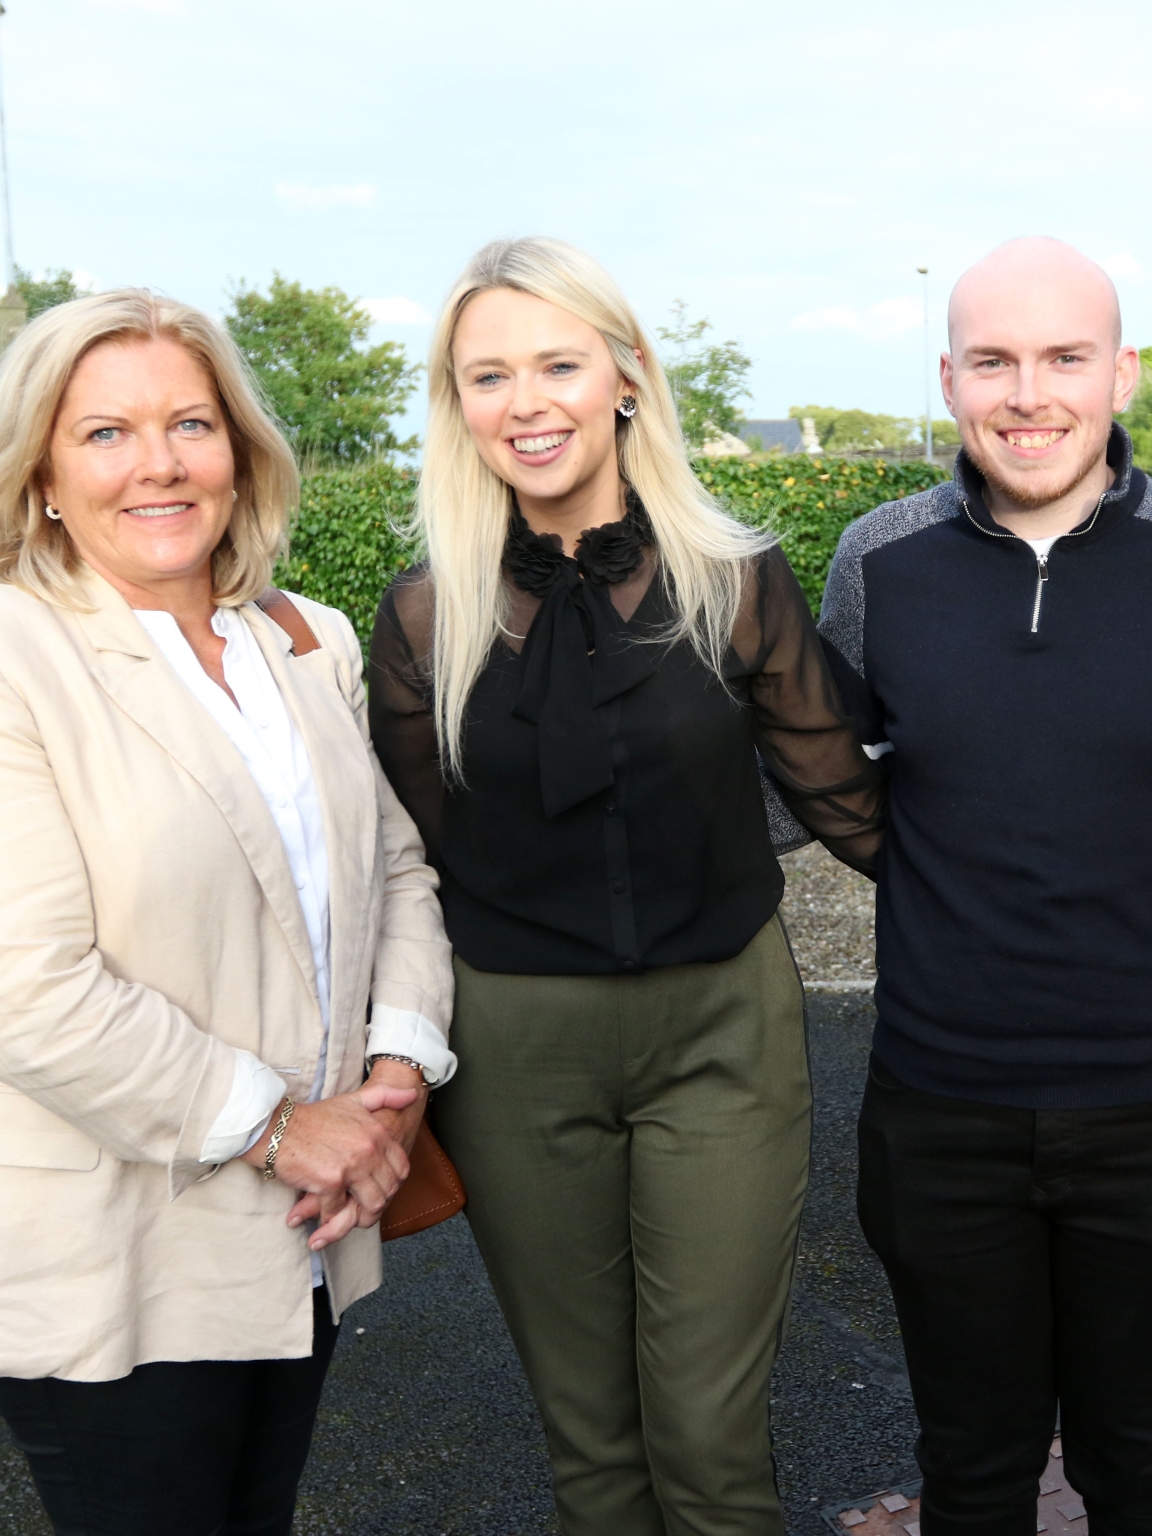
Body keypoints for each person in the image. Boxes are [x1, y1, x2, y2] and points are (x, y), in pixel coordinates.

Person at [367, 236, 882, 1536]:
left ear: (626, 376)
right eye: (488, 375)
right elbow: (418, 852)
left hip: (723, 1036)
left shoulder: (734, 579)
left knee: (709, 1442)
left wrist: (1040, 900)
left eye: (558, 363)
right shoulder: (423, 617)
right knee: (593, 1451)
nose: (526, 402)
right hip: (516, 1052)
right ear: (458, 406)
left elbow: (845, 799)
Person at [0, 289, 455, 1536]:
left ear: (239, 450)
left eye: (191, 424)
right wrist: (285, 1129)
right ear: (43, 475)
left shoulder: (303, 640)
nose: (158, 463)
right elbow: (25, 990)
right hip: (106, 1244)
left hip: (300, 1229)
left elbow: (394, 872)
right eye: (105, 433)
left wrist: (395, 1079)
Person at [815, 237, 1152, 1536]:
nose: (1029, 395)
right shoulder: (877, 558)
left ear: (1122, 374)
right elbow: (812, 784)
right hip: (939, 1112)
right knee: (972, 1472)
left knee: (1144, 1467)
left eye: (1064, 358)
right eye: (994, 362)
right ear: (949, 380)